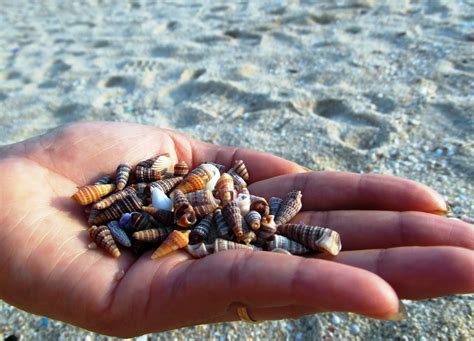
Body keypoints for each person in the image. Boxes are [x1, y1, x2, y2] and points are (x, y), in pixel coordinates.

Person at [0, 121, 471, 337]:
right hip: (169, 212)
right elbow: (167, 211)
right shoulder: (152, 203)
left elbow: (206, 214)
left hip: (191, 214)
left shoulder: (207, 209)